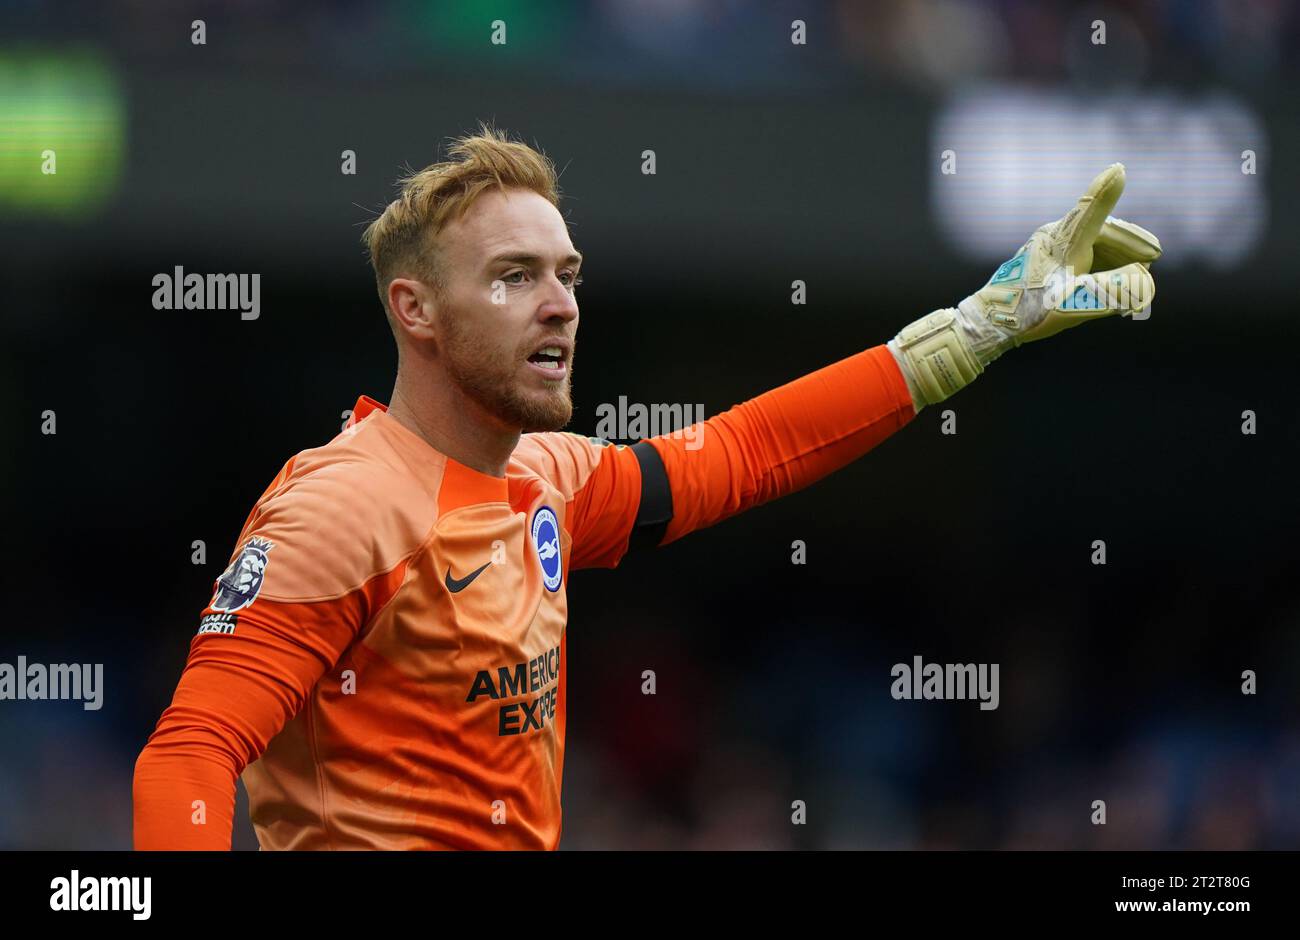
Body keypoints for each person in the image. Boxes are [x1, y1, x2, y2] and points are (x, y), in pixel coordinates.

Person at [133, 125, 1160, 849]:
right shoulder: (339, 507)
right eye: (514, 276)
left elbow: (747, 450)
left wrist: (975, 330)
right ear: (416, 310)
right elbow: (186, 758)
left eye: (568, 275)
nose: (560, 306)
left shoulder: (548, 478)